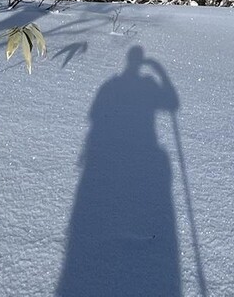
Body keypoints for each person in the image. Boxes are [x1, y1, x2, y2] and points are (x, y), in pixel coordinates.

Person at [57, 46, 182, 296]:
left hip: (102, 156)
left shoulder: (110, 86)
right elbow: (172, 103)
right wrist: (160, 73)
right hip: (137, 152)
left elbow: (94, 117)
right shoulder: (142, 85)